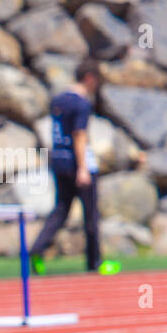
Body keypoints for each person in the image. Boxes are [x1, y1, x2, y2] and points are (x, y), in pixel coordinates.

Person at [30, 60, 120, 276]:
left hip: (59, 161)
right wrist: (83, 168)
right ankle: (95, 262)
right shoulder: (81, 104)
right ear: (89, 78)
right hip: (77, 163)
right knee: (91, 215)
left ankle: (37, 249)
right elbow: (79, 136)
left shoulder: (59, 100)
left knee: (61, 209)